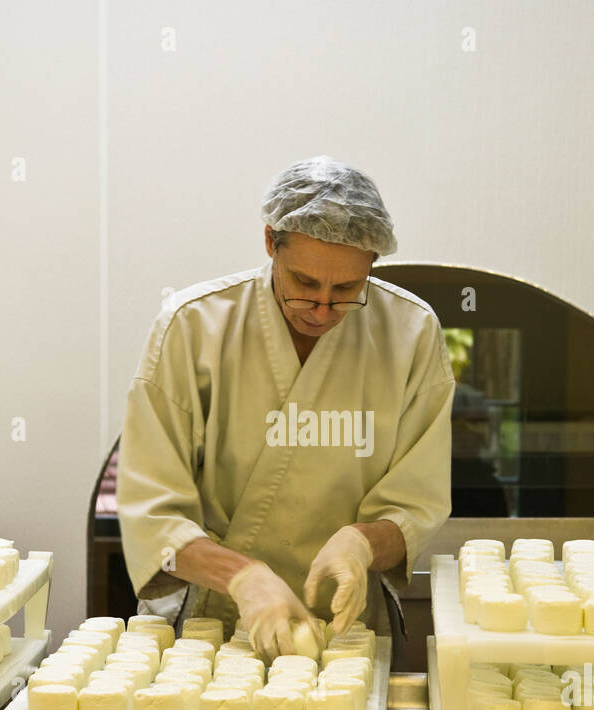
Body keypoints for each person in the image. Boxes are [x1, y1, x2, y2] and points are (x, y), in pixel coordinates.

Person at [117, 155, 454, 670]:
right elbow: (152, 514)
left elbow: (416, 503)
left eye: (346, 291)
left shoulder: (410, 333)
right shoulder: (192, 328)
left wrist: (361, 545)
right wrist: (244, 578)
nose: (322, 309)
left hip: (349, 627)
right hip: (215, 618)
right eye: (304, 283)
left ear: (372, 265)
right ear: (271, 242)